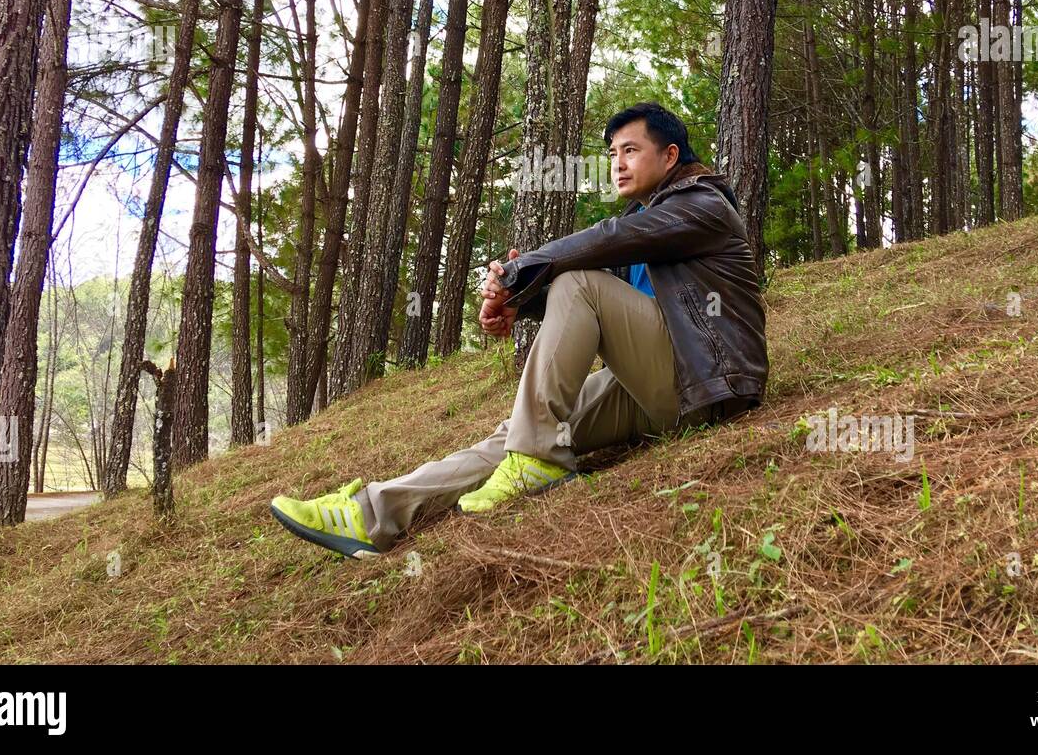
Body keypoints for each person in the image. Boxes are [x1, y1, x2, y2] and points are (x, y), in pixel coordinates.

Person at [269, 102, 769, 558]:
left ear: (670, 156)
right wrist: (520, 302)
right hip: (655, 385)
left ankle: (537, 459)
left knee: (572, 291)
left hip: (712, 386)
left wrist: (525, 269)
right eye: (613, 152)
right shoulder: (648, 223)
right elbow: (596, 306)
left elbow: (601, 254)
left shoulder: (703, 205)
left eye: (631, 150)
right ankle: (370, 513)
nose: (617, 163)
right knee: (520, 434)